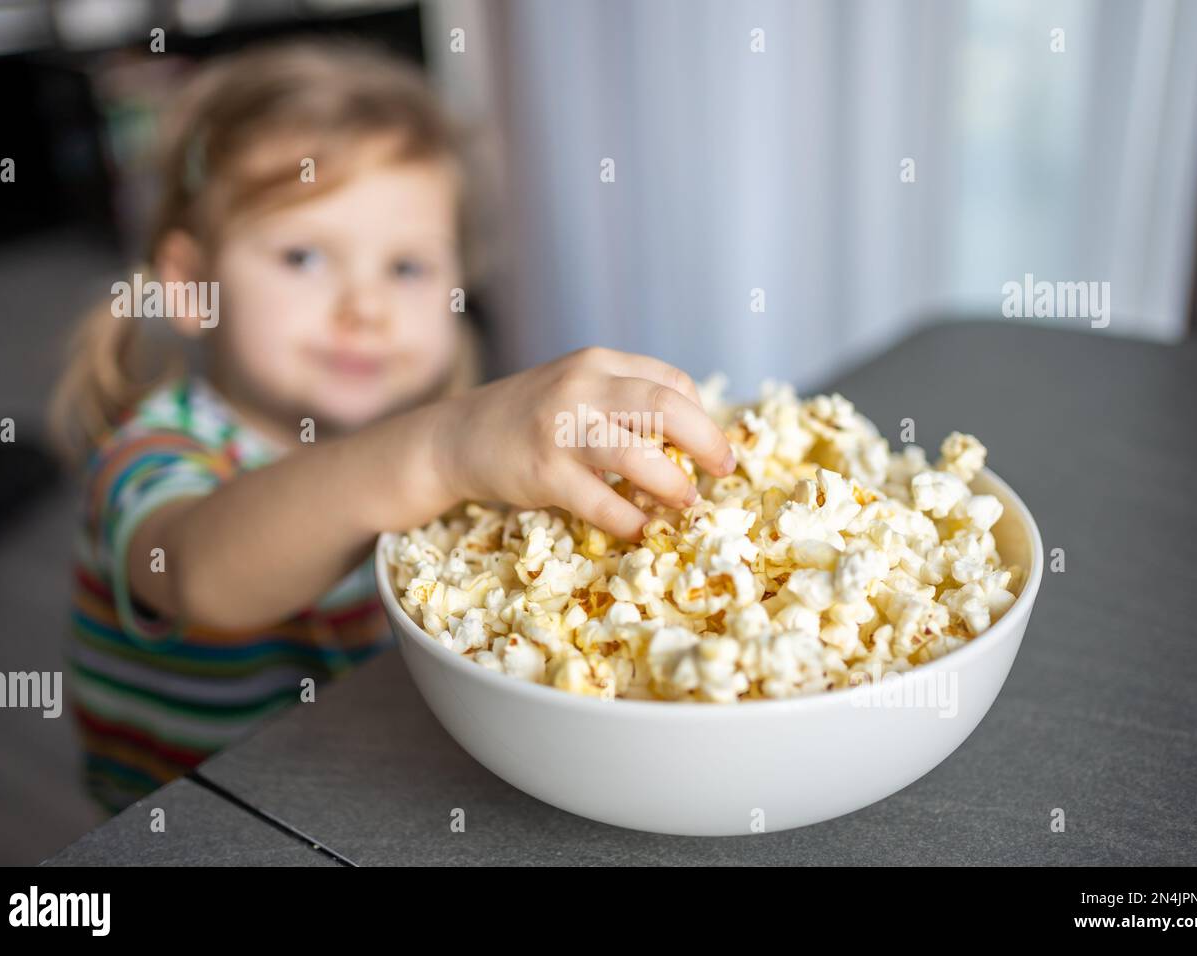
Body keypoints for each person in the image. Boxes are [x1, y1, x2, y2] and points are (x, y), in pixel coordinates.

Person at [49, 39, 733, 813]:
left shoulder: (416, 434)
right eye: (304, 257)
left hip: (370, 792)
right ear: (189, 286)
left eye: (407, 268)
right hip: (197, 825)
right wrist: (443, 449)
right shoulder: (150, 454)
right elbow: (200, 576)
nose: (365, 308)